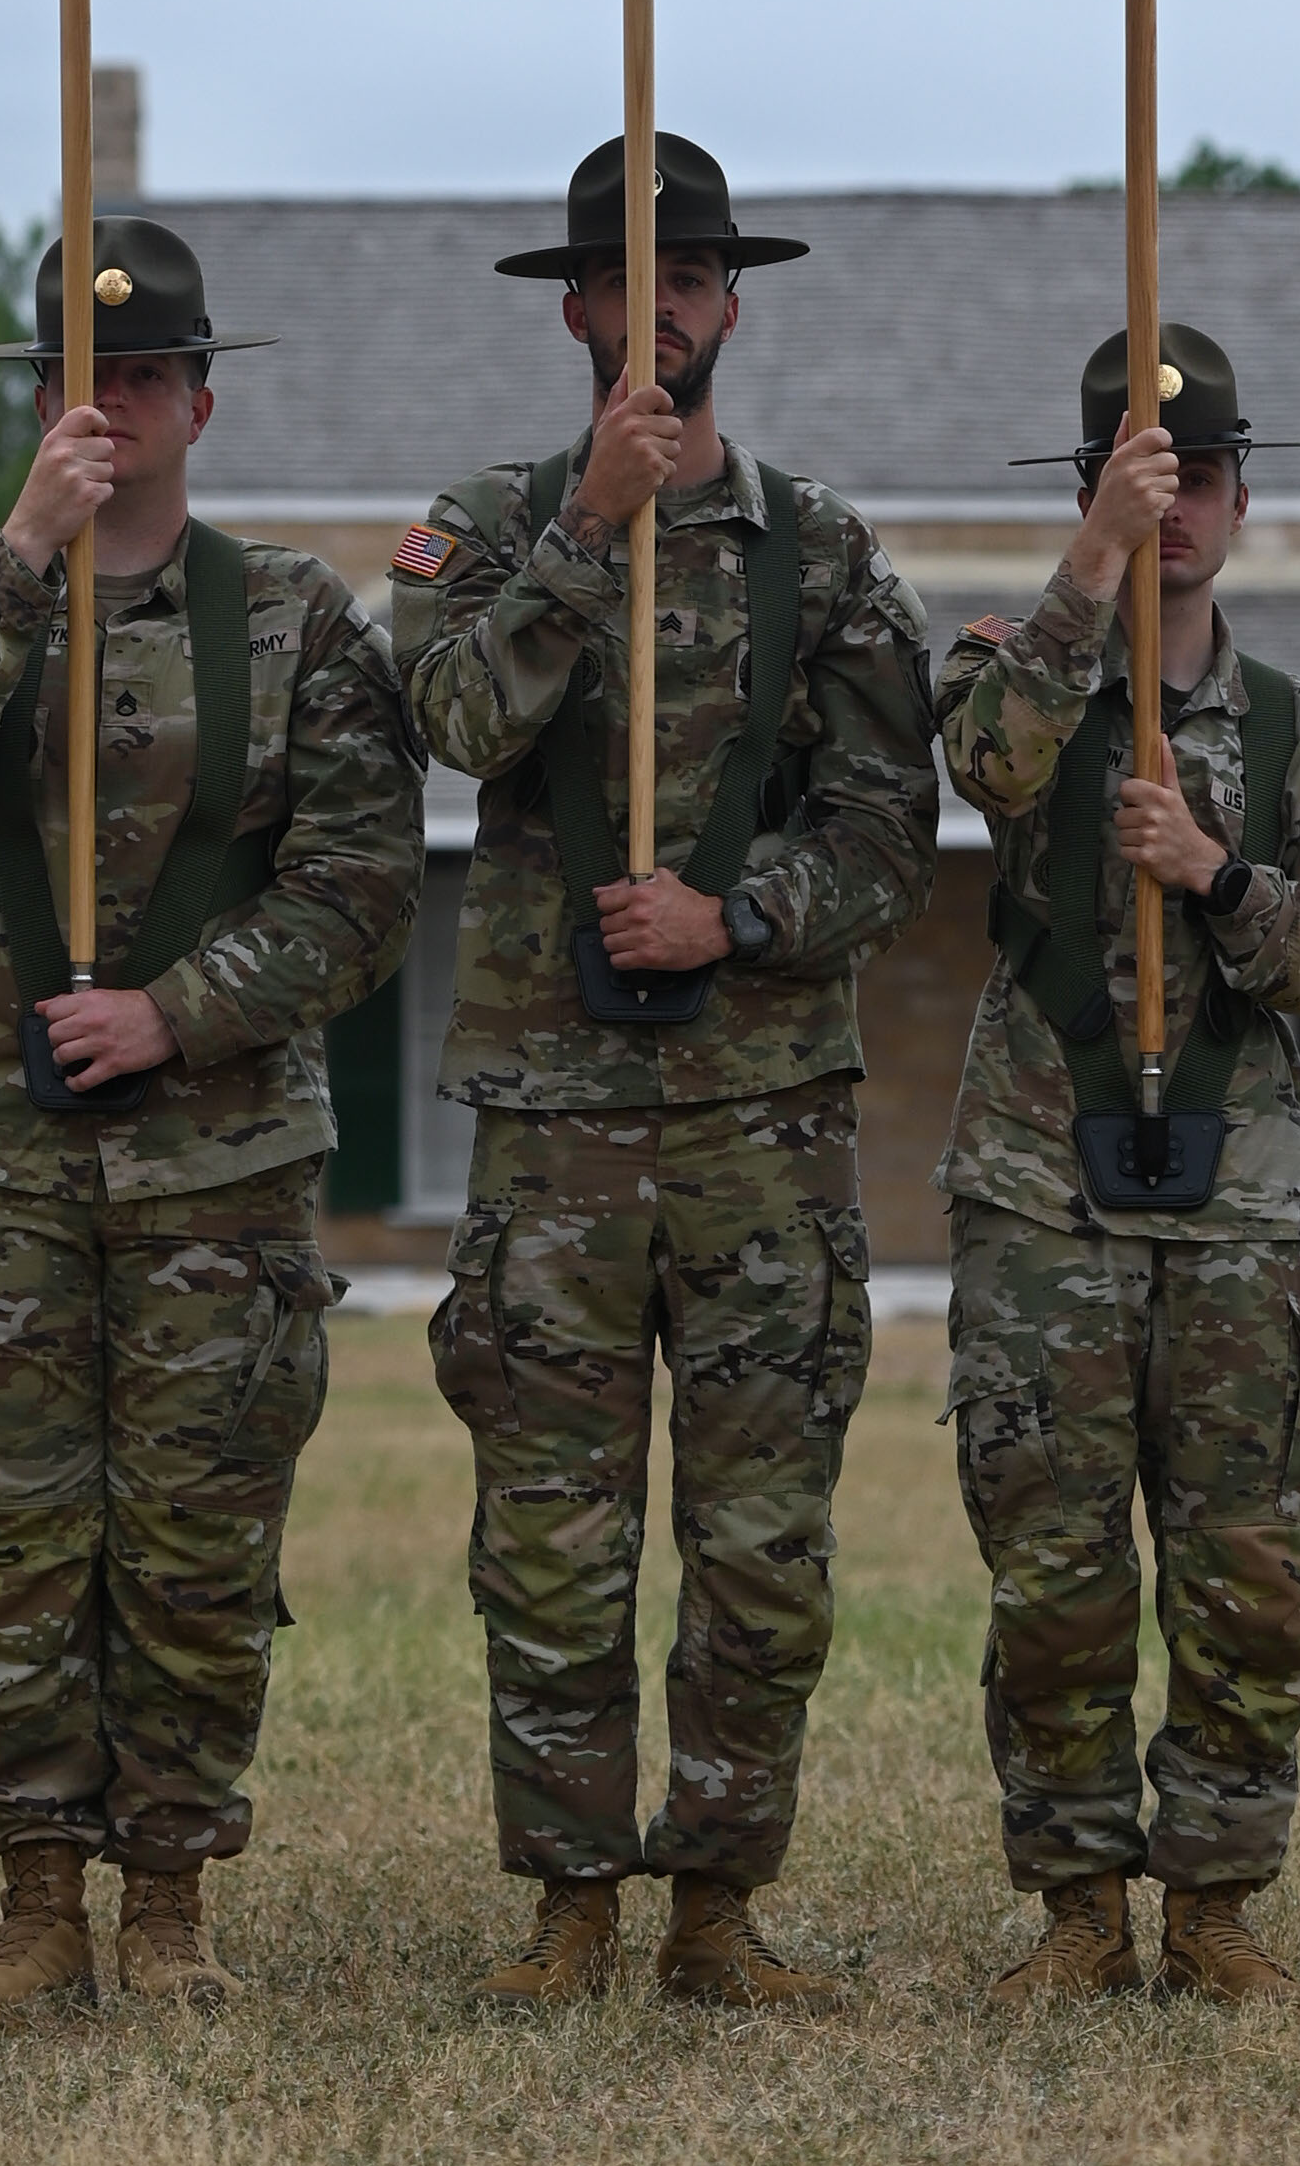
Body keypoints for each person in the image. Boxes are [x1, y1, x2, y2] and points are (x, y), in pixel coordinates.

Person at [0, 216, 423, 2016]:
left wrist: (176, 1010)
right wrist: (25, 551)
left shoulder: (304, 619)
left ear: (203, 399)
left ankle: (168, 1899)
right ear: (41, 402)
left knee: (196, 1537)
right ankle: (33, 1900)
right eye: (82, 384)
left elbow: (362, 882)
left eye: (151, 378)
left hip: (219, 1165)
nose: (121, 408)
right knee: (6, 1537)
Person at [391, 133, 938, 2013]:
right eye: (631, 281)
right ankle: (566, 1901)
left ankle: (718, 1902)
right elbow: (452, 721)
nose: (666, 309)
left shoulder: (826, 553)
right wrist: (580, 540)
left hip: (760, 1117)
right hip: (553, 1125)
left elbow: (889, 827)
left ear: (730, 304)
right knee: (550, 1531)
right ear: (581, 310)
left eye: (693, 279)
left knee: (761, 1532)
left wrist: (738, 913)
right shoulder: (483, 528)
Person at [933, 324, 1300, 2007]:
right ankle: (1076, 1903)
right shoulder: (1021, 665)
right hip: (1040, 1185)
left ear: (1243, 498)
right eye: (1148, 482)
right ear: (1098, 489)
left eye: (1200, 481)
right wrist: (1088, 569)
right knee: (1054, 1569)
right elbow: (981, 760)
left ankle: (1214, 1897)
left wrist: (1218, 875)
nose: (1179, 512)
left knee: (1245, 1568)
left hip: (1234, 1201)